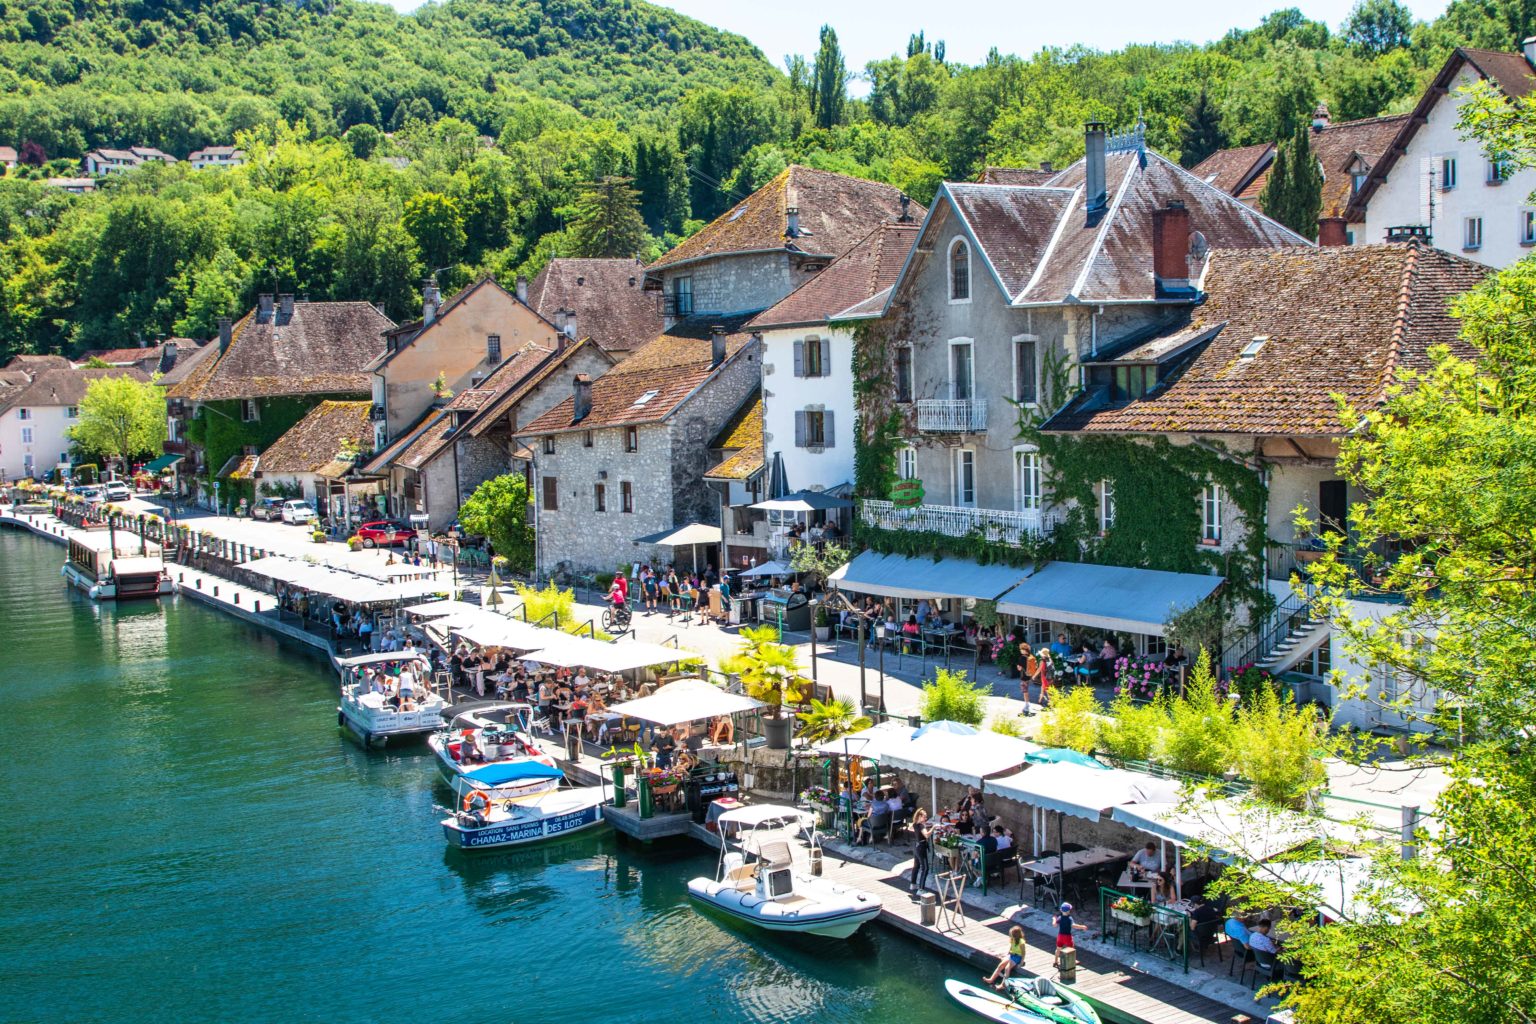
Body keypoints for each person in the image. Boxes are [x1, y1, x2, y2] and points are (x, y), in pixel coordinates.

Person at [1053, 902, 1088, 968]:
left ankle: (1055, 961)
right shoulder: (1069, 918)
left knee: (1058, 949)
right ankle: (1073, 960)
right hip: (1067, 936)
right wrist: (1082, 927)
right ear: (1068, 911)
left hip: (1060, 936)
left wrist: (1054, 919)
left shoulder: (1060, 918)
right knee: (1071, 949)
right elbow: (1074, 926)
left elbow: (1054, 925)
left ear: (1061, 910)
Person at [908, 809, 932, 895]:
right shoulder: (921, 826)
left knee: (916, 866)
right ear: (920, 816)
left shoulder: (915, 824)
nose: (925, 818)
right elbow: (926, 835)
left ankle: (913, 884)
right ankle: (921, 889)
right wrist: (933, 828)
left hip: (916, 846)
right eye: (924, 817)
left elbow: (910, 828)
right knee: (925, 868)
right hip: (921, 847)